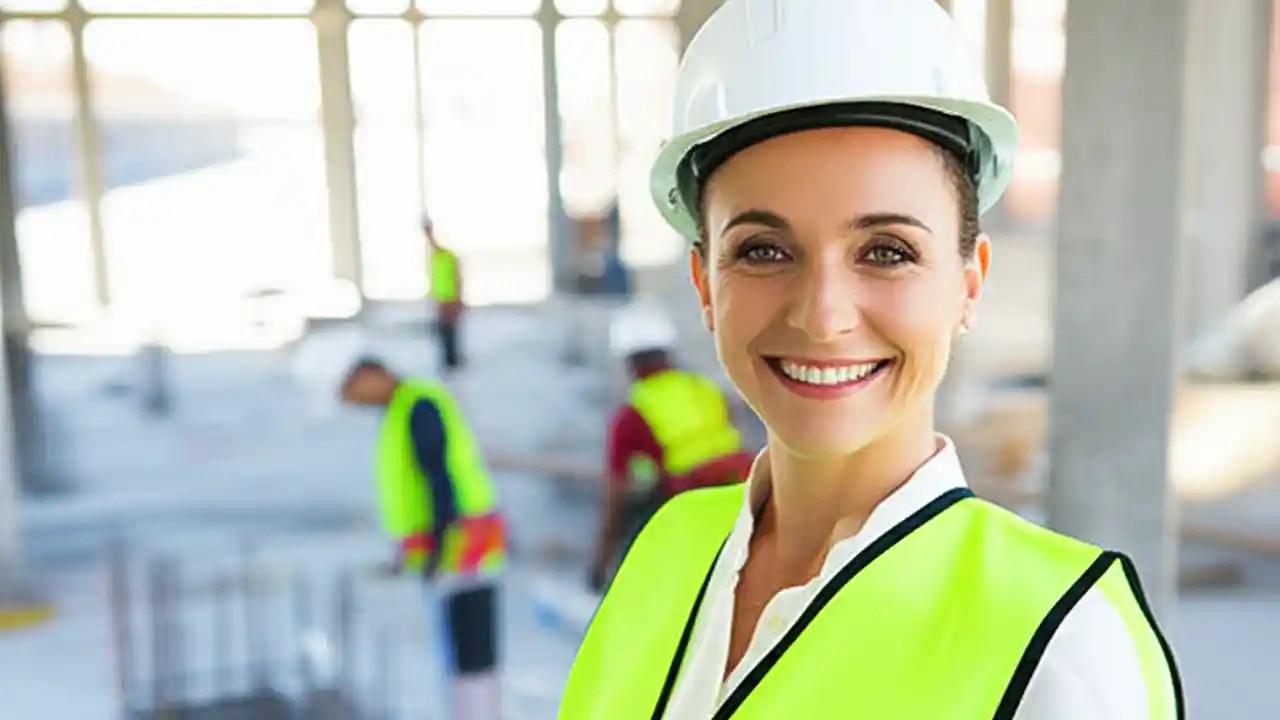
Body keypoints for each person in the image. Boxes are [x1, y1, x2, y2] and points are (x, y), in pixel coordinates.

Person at [559, 1, 1183, 719]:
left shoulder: (1061, 639)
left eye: (887, 252)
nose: (823, 316)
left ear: (968, 283)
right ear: (706, 284)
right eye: (764, 250)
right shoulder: (664, 552)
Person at [340, 357, 504, 720]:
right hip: (455, 545)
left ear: (371, 375)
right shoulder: (402, 408)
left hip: (464, 547)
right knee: (463, 656)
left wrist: (438, 548)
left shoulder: (418, 405)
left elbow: (439, 478)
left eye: (353, 392)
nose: (356, 402)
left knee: (473, 657)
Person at [588, 302, 753, 593]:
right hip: (746, 499)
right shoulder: (706, 389)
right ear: (669, 352)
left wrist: (601, 564)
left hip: (691, 511)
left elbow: (616, 496)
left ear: (628, 362)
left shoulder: (632, 415)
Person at [425, 215, 465, 371]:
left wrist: (459, 299)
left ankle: (453, 361)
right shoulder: (435, 258)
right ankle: (449, 360)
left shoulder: (447, 257)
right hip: (441, 298)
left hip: (450, 298)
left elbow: (458, 278)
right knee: (444, 330)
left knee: (449, 329)